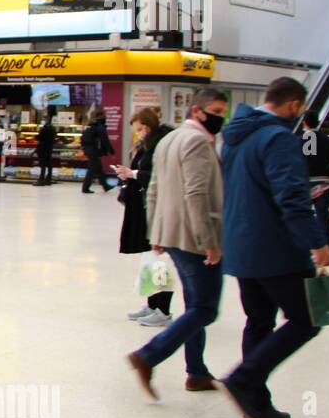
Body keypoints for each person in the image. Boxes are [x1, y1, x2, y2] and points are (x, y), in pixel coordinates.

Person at [220, 77, 329, 418]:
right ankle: (244, 378)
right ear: (294, 104)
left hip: (240, 244)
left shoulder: (235, 136)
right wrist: (316, 242)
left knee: (258, 322)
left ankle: (255, 402)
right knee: (307, 319)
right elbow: (292, 198)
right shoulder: (279, 138)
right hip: (275, 248)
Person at [124, 89, 228, 399]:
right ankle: (148, 356)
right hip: (193, 237)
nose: (220, 117)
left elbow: (154, 188)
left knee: (196, 305)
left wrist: (155, 231)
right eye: (216, 110)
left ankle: (196, 372)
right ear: (197, 111)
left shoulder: (169, 139)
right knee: (206, 309)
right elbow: (196, 194)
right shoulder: (196, 141)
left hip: (172, 233)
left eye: (223, 110)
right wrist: (209, 241)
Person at [114, 108, 175, 328]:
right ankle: (151, 304)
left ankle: (163, 309)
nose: (138, 133)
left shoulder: (160, 146)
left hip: (157, 211)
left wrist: (134, 174)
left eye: (139, 129)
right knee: (149, 261)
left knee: (159, 262)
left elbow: (160, 178)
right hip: (145, 208)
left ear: (148, 126)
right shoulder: (147, 146)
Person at [301, 110, 329, 243]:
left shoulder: (300, 140)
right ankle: (326, 249)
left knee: (303, 216)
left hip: (304, 185)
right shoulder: (328, 141)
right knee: (322, 217)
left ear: (304, 123)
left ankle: (307, 247)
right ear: (318, 123)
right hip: (323, 185)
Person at [80, 108, 114, 194]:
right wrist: (112, 151)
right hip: (93, 150)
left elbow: (82, 138)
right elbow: (105, 141)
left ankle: (105, 186)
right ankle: (85, 188)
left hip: (88, 149)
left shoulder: (91, 125)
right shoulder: (100, 127)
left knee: (98, 168)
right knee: (92, 168)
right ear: (102, 118)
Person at [35, 106, 57, 185]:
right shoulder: (53, 128)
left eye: (44, 118)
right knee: (49, 163)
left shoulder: (45, 128)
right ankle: (48, 178)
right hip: (49, 148)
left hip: (43, 148)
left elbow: (39, 137)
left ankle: (41, 179)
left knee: (43, 164)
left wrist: (37, 135)